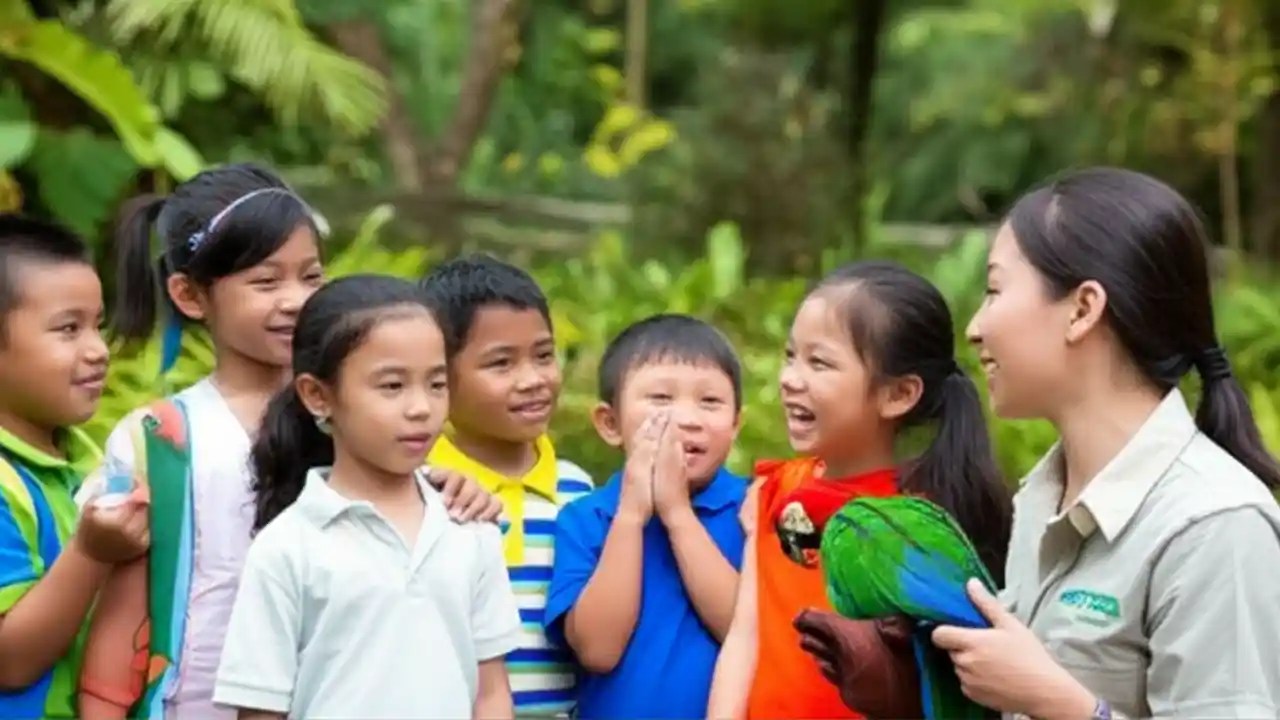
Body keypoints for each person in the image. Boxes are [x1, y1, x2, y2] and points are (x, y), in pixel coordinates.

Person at [76, 164, 500, 720]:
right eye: (266, 281)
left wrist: (459, 489)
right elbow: (122, 619)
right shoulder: (163, 441)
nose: (296, 300)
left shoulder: (368, 413)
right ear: (189, 294)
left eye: (310, 276)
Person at [931, 166, 1280, 719]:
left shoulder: (1215, 526)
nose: (976, 327)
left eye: (995, 290)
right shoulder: (1041, 500)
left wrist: (1065, 705)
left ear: (1083, 309)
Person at [708, 261, 1014, 719]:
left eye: (820, 362)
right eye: (790, 355)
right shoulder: (778, 487)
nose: (791, 378)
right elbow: (746, 631)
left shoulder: (914, 524)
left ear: (898, 394)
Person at [214, 275, 521, 720]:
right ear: (318, 395)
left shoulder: (469, 527)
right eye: (392, 386)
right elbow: (261, 710)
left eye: (436, 384)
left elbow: (491, 694)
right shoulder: (288, 547)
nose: (421, 408)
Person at [544, 314, 747, 719]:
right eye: (660, 399)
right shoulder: (585, 518)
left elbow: (745, 633)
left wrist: (677, 513)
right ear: (610, 423)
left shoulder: (755, 508)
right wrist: (631, 515)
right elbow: (598, 651)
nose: (688, 419)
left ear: (735, 424)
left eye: (710, 402)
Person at [420, 255, 594, 716]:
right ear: (438, 375)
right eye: (501, 364)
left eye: (543, 355)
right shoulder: (419, 488)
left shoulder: (578, 490)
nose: (533, 380)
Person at [0, 214, 149, 719]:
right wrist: (91, 552)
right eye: (68, 329)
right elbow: (11, 661)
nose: (99, 350)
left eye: (97, 325)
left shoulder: (94, 458)